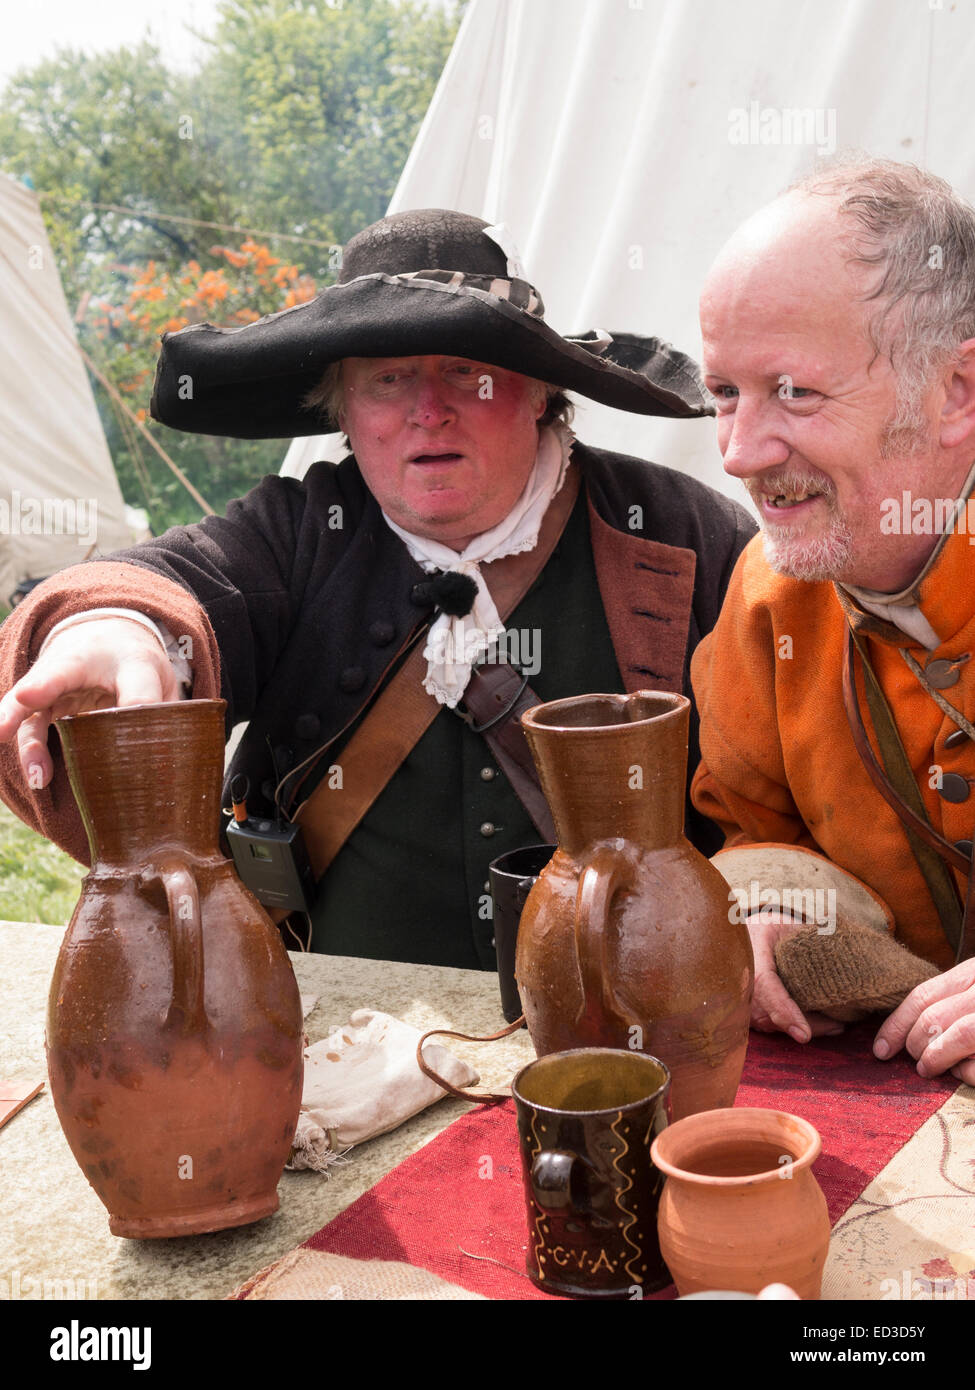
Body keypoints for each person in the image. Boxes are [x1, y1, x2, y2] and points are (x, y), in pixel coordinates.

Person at [0, 208, 754, 968]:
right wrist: (109, 631)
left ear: (537, 392)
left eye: (467, 371)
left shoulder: (680, 531)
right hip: (347, 1050)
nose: (428, 410)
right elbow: (164, 583)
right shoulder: (298, 531)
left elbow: (799, 763)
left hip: (635, 1031)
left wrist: (772, 892)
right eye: (387, 379)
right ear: (344, 411)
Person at [691, 158, 975, 1085]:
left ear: (955, 391)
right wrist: (765, 899)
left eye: (795, 392)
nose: (739, 453)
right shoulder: (766, 593)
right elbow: (747, 822)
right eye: (724, 392)